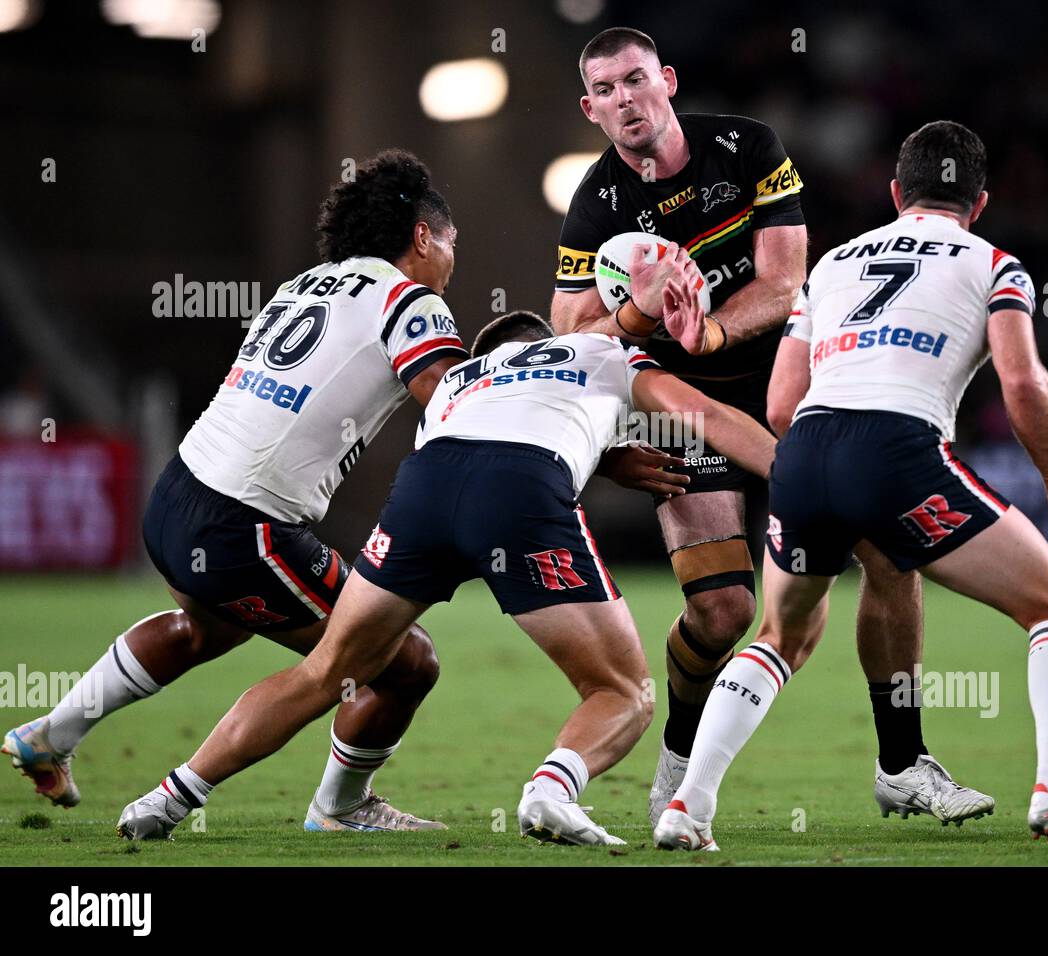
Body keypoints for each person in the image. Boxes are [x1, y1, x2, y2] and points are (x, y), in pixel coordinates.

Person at [117, 273, 779, 846]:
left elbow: (500, 425)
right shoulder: (602, 352)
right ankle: (551, 789)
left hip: (426, 487)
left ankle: (168, 797)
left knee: (327, 671)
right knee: (622, 692)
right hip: (520, 491)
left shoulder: (463, 375)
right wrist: (794, 474)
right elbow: (705, 417)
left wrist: (603, 457)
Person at [653, 121, 1048, 853]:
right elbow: (1023, 385)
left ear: (894, 194)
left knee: (781, 637)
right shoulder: (995, 263)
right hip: (896, 449)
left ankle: (687, 808)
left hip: (808, 451)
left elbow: (781, 405)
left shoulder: (835, 264)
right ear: (978, 203)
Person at [552, 27, 990, 825]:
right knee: (721, 612)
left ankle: (903, 764)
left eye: (636, 80)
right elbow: (571, 330)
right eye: (606, 91)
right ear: (590, 108)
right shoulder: (596, 200)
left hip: (790, 387)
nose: (625, 101)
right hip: (685, 417)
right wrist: (638, 312)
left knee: (890, 558)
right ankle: (677, 770)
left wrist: (709, 329)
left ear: (668, 81)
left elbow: (785, 279)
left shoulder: (747, 149)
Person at [4, 150, 475, 832]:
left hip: (174, 498)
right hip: (243, 524)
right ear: (425, 237)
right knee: (401, 663)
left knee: (205, 628)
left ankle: (52, 731)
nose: (451, 261)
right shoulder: (411, 301)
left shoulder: (303, 285)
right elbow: (448, 397)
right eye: (451, 243)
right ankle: (272, 803)